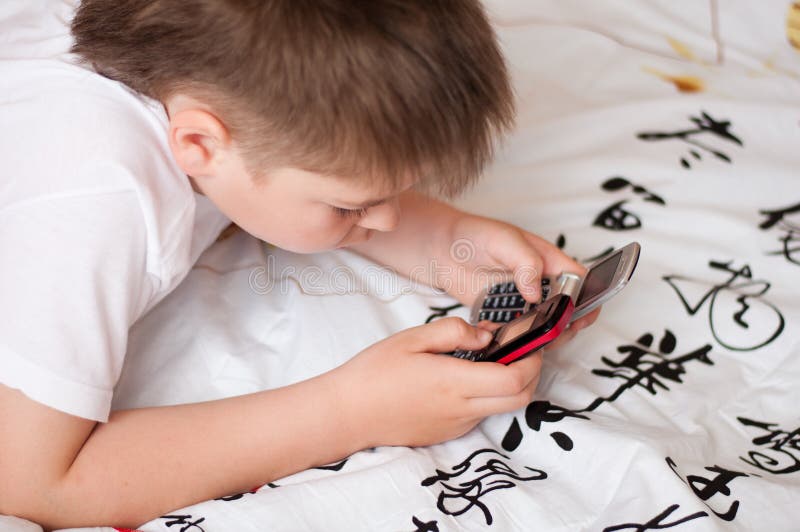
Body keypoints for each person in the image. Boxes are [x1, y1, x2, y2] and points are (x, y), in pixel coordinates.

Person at [0, 1, 598, 528]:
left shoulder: (196, 73)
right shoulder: (94, 199)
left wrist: (454, 243)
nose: (388, 221)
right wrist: (353, 409)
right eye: (352, 205)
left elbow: (274, 177)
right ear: (200, 145)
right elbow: (29, 481)